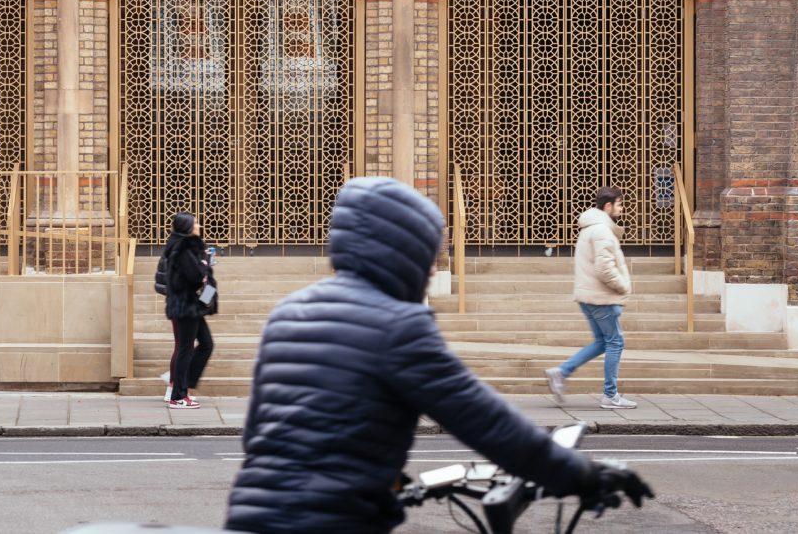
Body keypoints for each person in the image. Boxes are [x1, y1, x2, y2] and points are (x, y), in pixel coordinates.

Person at [225, 177, 650, 534]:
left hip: (249, 516)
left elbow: (266, 431)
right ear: (401, 253)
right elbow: (485, 422)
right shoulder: (395, 324)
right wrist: (584, 474)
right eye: (427, 255)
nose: (431, 269)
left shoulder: (291, 311)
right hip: (331, 522)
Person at [545, 185, 637, 409]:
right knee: (615, 342)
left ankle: (561, 372)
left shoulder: (590, 228)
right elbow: (604, 268)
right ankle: (610, 395)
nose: (622, 209)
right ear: (608, 206)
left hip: (588, 296)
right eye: (619, 204)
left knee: (601, 342)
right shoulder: (602, 230)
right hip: (601, 298)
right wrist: (623, 286)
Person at [160, 211, 216, 409]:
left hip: (194, 306)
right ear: (188, 227)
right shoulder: (183, 249)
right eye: (197, 223)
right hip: (186, 306)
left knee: (207, 344)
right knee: (185, 348)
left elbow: (204, 279)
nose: (200, 226)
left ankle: (186, 388)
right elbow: (194, 277)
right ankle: (177, 395)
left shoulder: (190, 248)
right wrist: (204, 264)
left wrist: (204, 263)